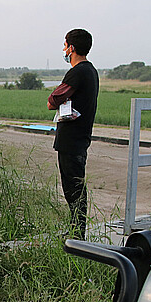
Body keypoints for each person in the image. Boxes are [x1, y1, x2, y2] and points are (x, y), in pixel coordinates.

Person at [48, 28, 98, 239]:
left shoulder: (78, 72)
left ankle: (78, 234)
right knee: (76, 186)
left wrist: (55, 100)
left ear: (72, 48)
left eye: (65, 45)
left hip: (71, 139)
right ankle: (77, 229)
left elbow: (53, 100)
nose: (64, 49)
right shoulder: (91, 71)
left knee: (73, 188)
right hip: (80, 137)